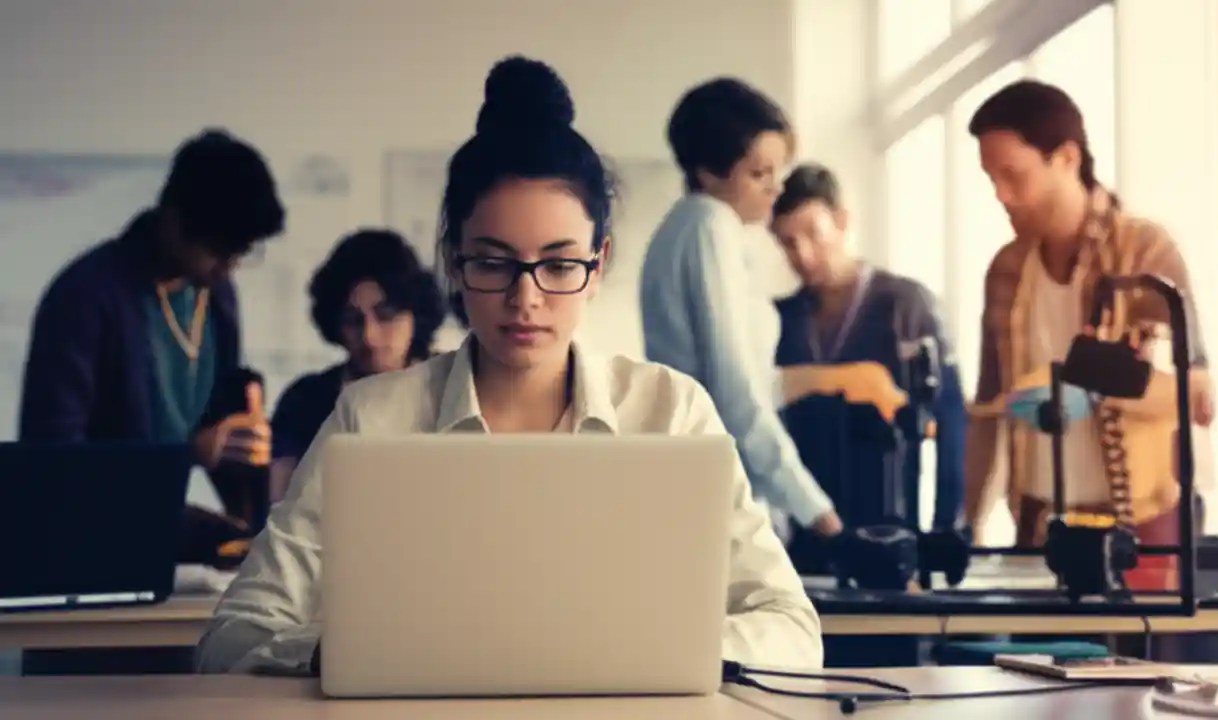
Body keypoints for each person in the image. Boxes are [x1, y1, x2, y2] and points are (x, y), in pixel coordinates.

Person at [195, 56, 823, 674]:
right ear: (454, 260)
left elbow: (791, 627)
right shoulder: (373, 417)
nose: (526, 300)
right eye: (494, 263)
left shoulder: (669, 412)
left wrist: (653, 648)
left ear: (598, 265)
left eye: (558, 264)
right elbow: (232, 637)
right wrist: (346, 653)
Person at [963, 80, 1215, 587]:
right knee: (1032, 666)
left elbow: (1196, 395)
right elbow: (989, 409)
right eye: (991, 179)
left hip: (1141, 525)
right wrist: (965, 531)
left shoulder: (1144, 251)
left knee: (1138, 668)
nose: (1001, 196)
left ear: (1067, 158)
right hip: (1040, 526)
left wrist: (1085, 388)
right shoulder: (1007, 269)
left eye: (1014, 176)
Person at [19, 128, 284, 529]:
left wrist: (243, 452)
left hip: (152, 534)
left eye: (241, 252)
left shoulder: (216, 296)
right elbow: (52, 463)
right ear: (173, 221)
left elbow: (216, 428)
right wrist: (187, 454)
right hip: (87, 544)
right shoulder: (86, 296)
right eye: (218, 249)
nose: (229, 267)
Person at [639, 78, 843, 546]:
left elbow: (747, 382)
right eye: (759, 173)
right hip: (716, 497)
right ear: (710, 173)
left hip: (709, 487)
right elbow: (735, 393)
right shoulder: (709, 224)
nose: (776, 188)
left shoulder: (689, 226)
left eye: (778, 171)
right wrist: (820, 514)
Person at [770, 164, 967, 571]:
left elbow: (951, 422)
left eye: (813, 235)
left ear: (841, 222)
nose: (803, 255)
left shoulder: (906, 305)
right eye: (788, 242)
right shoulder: (780, 319)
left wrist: (950, 529)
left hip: (894, 525)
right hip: (808, 531)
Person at [268, 229, 446, 501]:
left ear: (416, 314)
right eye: (353, 320)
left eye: (386, 316)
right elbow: (279, 504)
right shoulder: (304, 401)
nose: (369, 337)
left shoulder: (454, 386)